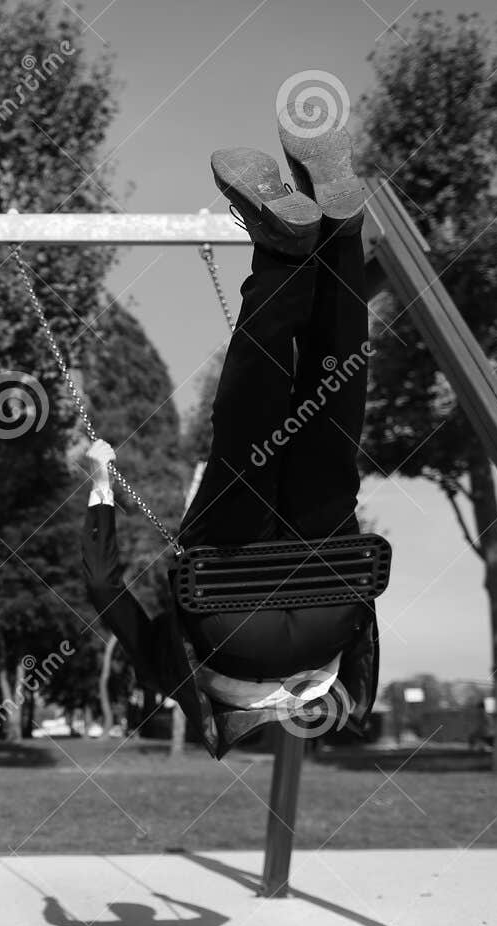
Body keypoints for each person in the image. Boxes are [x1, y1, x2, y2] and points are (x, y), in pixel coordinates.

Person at [79, 99, 379, 760]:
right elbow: (103, 587)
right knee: (248, 430)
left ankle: (341, 233)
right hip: (229, 607)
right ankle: (279, 253)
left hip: (329, 599)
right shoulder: (172, 679)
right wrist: (100, 484)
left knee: (331, 417)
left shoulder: (326, 690)